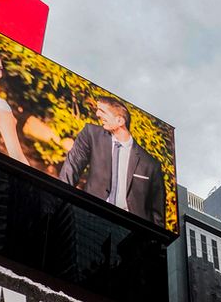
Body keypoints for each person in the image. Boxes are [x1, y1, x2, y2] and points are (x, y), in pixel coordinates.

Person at [58, 95, 165, 227]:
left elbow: (157, 212)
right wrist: (61, 200)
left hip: (131, 231)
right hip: (91, 216)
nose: (97, 114)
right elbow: (71, 167)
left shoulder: (150, 164)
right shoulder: (91, 134)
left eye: (102, 111)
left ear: (120, 120)